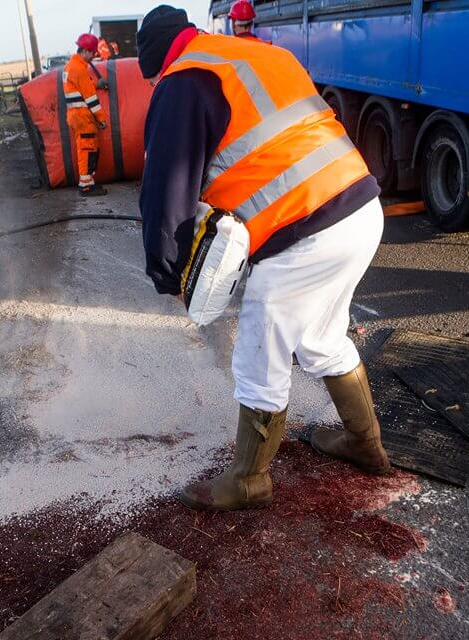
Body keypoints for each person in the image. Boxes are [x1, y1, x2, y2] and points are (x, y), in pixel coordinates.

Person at [136, 6, 390, 512]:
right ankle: (365, 444)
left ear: (155, 61)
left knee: (258, 350)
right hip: (361, 209)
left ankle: (249, 481)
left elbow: (167, 188)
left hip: (307, 232)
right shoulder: (253, 54)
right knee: (322, 336)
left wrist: (167, 271)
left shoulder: (183, 80)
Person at [64, 34, 108, 196]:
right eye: (92, 53)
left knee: (87, 149)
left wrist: (96, 84)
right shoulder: (79, 69)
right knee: (87, 150)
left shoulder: (72, 66)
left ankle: (88, 182)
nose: (94, 55)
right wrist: (101, 119)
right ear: (85, 51)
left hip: (77, 116)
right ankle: (86, 186)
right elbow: (91, 99)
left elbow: (82, 87)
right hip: (83, 117)